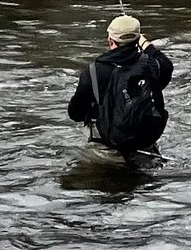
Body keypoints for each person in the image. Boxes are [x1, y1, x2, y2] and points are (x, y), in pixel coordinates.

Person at [68, 15, 173, 155]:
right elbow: (166, 65)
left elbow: (75, 114)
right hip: (144, 141)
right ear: (137, 40)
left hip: (106, 147)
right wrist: (145, 43)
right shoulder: (152, 66)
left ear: (110, 41)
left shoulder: (92, 72)